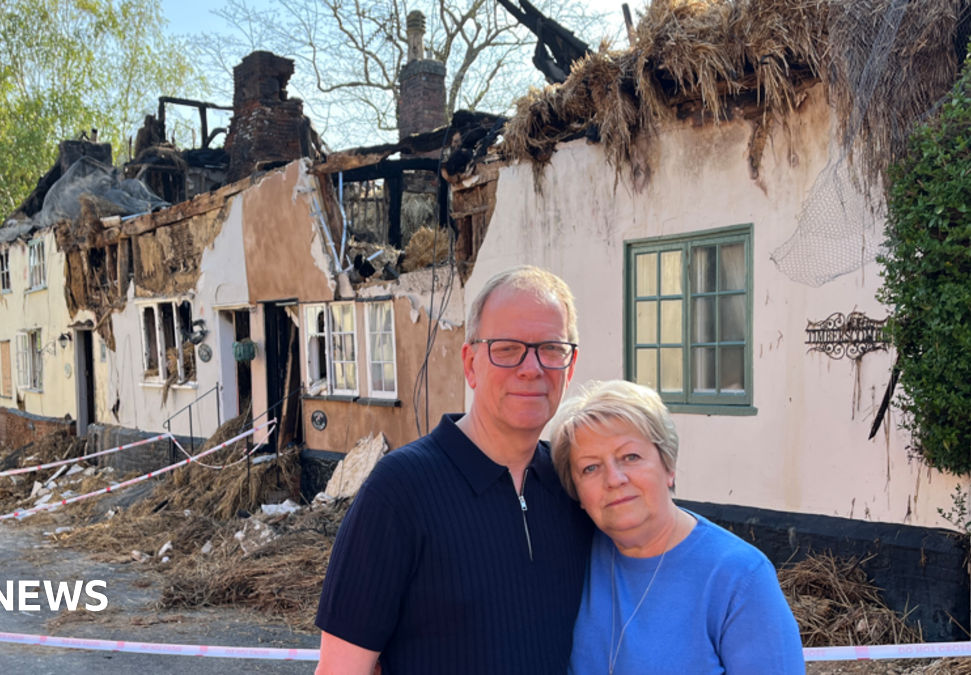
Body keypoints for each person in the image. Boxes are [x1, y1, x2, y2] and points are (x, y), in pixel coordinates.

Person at [315, 265, 594, 675]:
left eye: (551, 348)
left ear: (569, 367)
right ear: (470, 363)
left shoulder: (573, 487)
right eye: (507, 348)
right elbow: (341, 671)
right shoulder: (399, 492)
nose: (532, 367)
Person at [549, 379, 805, 675]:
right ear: (577, 493)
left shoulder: (740, 577)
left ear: (668, 466)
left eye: (630, 457)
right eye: (590, 467)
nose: (614, 478)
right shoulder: (571, 558)